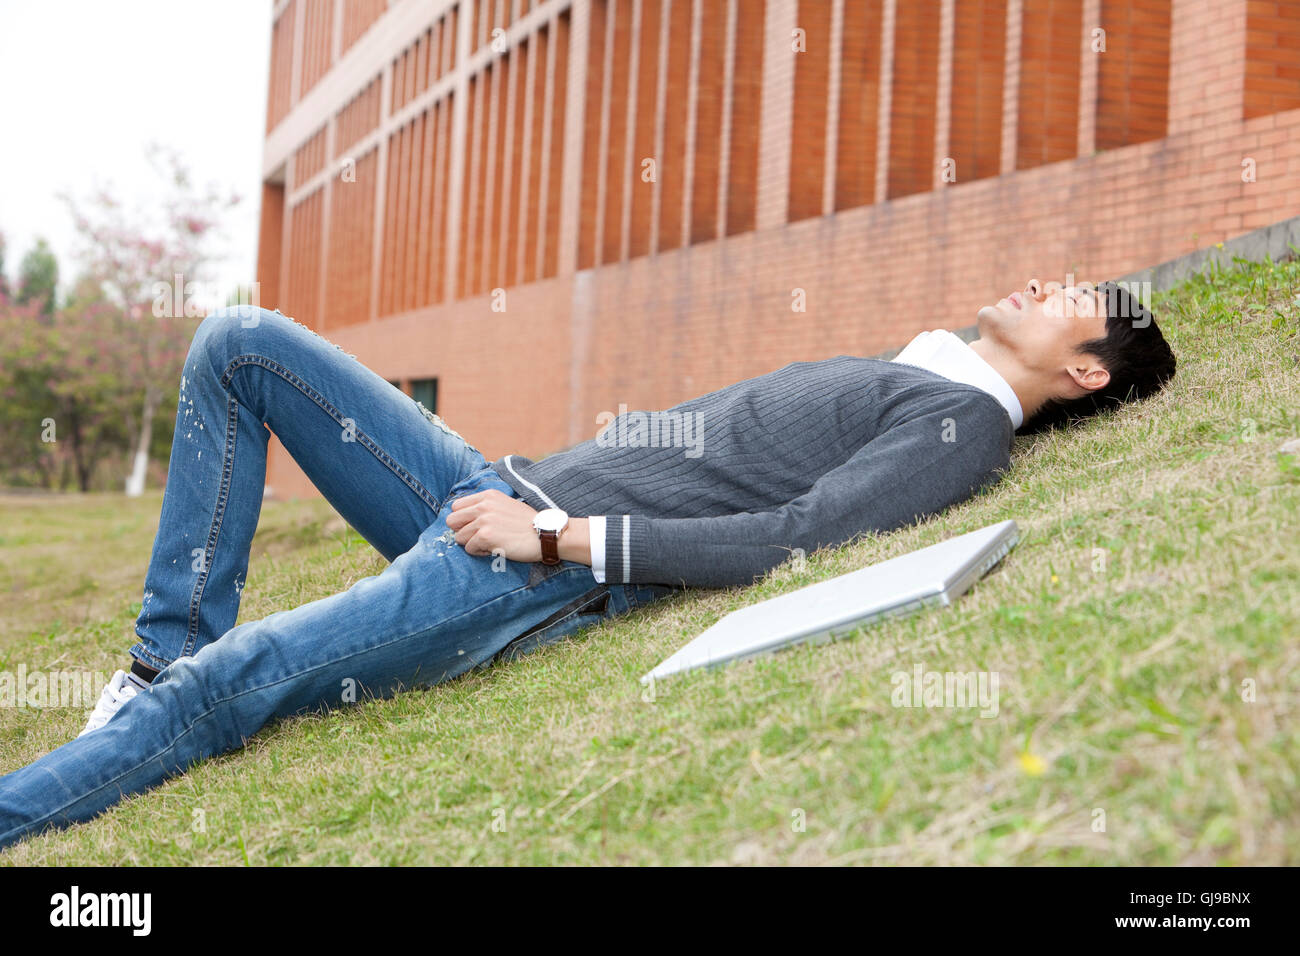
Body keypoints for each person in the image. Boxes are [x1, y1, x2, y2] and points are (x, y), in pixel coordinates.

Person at [0, 278, 1175, 850]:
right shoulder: (922, 370)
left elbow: (799, 539)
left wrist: (556, 540)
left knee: (238, 678)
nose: (1041, 283)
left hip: (523, 564)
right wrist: (520, 501)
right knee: (243, 344)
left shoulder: (956, 426)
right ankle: (155, 663)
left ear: (1083, 371)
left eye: (1074, 299)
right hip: (483, 484)